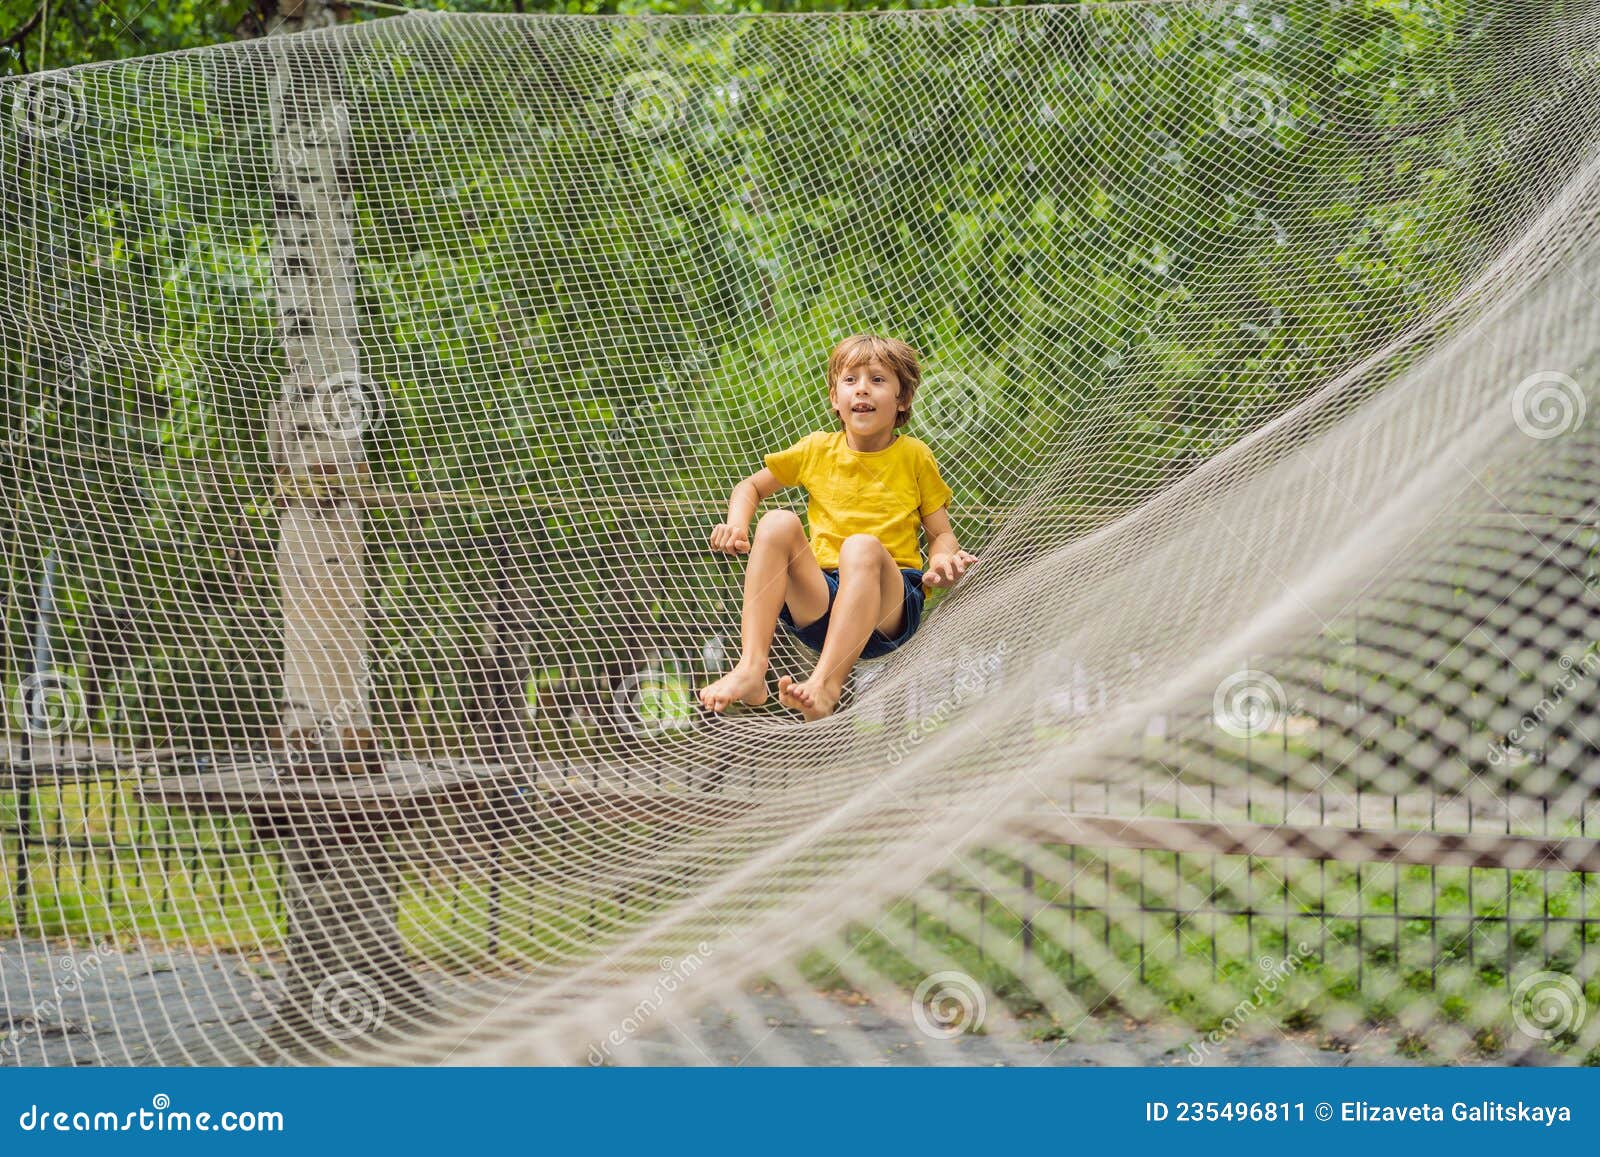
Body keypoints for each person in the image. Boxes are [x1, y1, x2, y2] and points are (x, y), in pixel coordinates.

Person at [699, 334, 978, 721]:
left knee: (860, 547)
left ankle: (826, 687)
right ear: (835, 398)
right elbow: (750, 487)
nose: (862, 388)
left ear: (902, 400)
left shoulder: (915, 456)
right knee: (778, 522)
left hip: (888, 605)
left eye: (877, 380)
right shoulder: (816, 449)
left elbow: (940, 532)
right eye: (850, 380)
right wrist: (736, 524)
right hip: (822, 604)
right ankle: (751, 667)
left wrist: (943, 558)